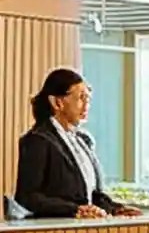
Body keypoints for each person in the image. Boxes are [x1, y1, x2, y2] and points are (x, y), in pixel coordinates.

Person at [13, 68, 142, 219]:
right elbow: (28, 197)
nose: (86, 105)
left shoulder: (83, 140)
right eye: (81, 98)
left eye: (88, 98)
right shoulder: (37, 140)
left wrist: (114, 208)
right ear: (57, 102)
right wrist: (74, 209)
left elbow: (88, 193)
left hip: (84, 231)